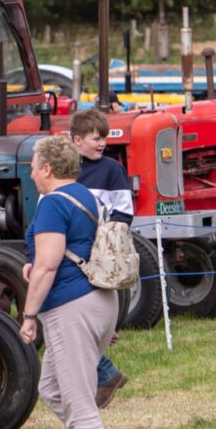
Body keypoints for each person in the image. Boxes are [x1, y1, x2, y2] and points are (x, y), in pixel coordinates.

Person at [19, 134, 134, 429]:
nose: (32, 172)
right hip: (100, 301)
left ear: (47, 169)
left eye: (34, 166)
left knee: (76, 396)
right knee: (51, 388)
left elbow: (48, 263)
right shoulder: (85, 194)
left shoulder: (52, 203)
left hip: (71, 307)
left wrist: (29, 314)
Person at [69, 109, 132, 409]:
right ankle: (103, 372)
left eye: (104, 138)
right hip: (72, 249)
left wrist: (104, 236)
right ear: (77, 140)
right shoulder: (67, 169)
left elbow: (124, 211)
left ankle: (104, 372)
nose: (102, 143)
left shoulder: (112, 170)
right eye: (96, 138)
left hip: (99, 253)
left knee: (75, 318)